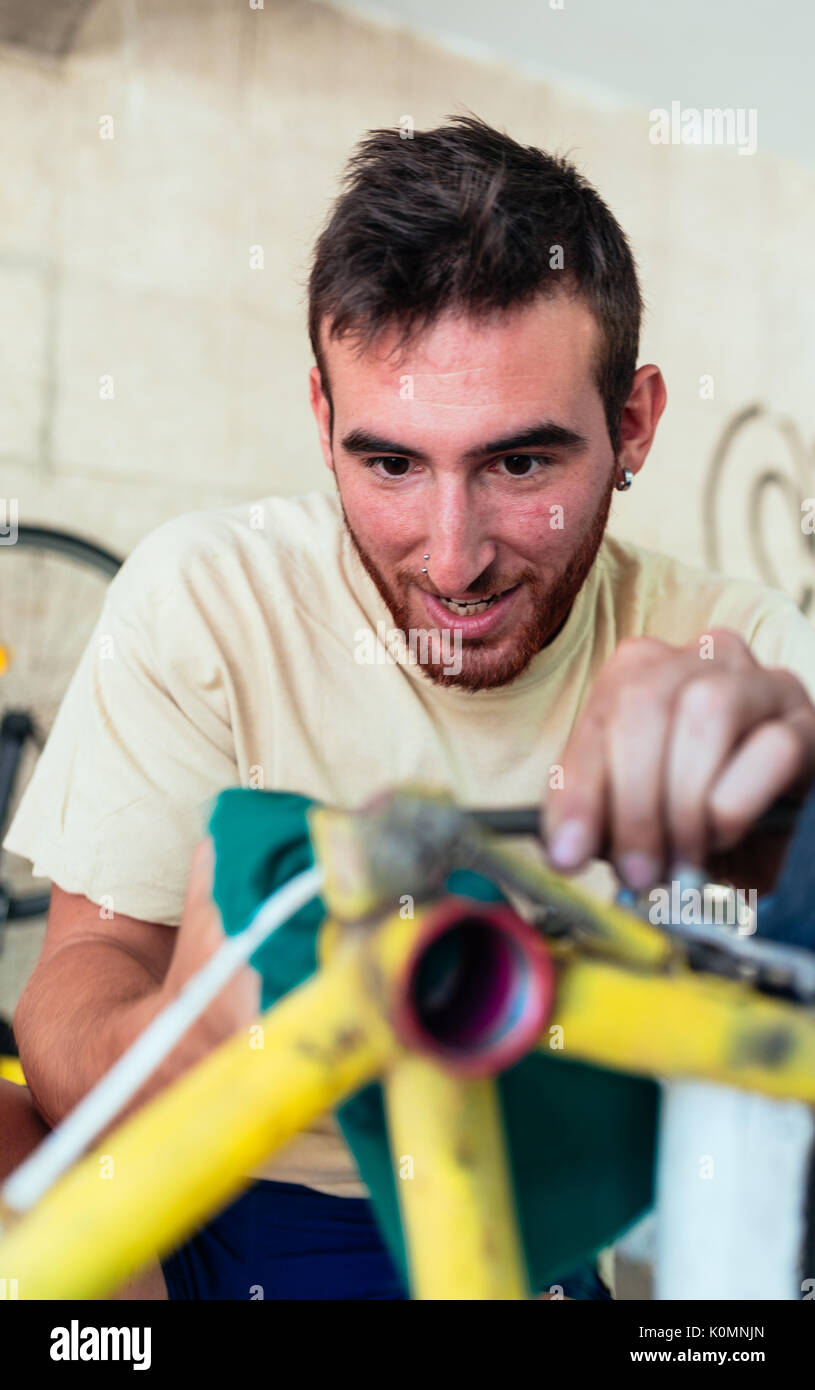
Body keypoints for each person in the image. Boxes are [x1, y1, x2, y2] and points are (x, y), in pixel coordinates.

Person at [5, 114, 815, 1300]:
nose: (451, 559)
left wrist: (785, 868)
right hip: (200, 1205)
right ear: (324, 423)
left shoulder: (730, 649)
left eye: (519, 465)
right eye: (389, 465)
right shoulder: (204, 595)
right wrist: (169, 1048)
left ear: (631, 425)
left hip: (512, 1236)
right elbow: (78, 974)